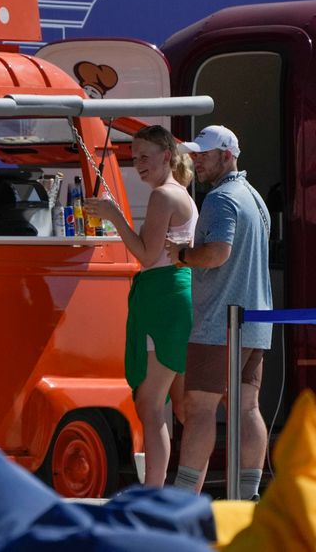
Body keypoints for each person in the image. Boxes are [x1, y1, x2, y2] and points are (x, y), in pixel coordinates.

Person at [85, 125, 196, 487]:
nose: (139, 164)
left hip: (163, 297)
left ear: (167, 155)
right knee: (169, 406)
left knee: (151, 405)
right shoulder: (177, 193)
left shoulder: (163, 196)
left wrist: (114, 215)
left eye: (145, 156)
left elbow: (147, 257)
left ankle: (156, 492)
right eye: (135, 158)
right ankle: (168, 489)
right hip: (166, 295)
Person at [165, 125, 273, 499]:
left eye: (204, 155)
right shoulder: (254, 198)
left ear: (227, 155)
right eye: (194, 155)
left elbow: (217, 254)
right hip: (254, 321)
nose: (196, 161)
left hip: (218, 323)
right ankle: (248, 495)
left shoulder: (220, 199)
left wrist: (180, 255)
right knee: (246, 407)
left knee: (198, 407)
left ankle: (182, 499)